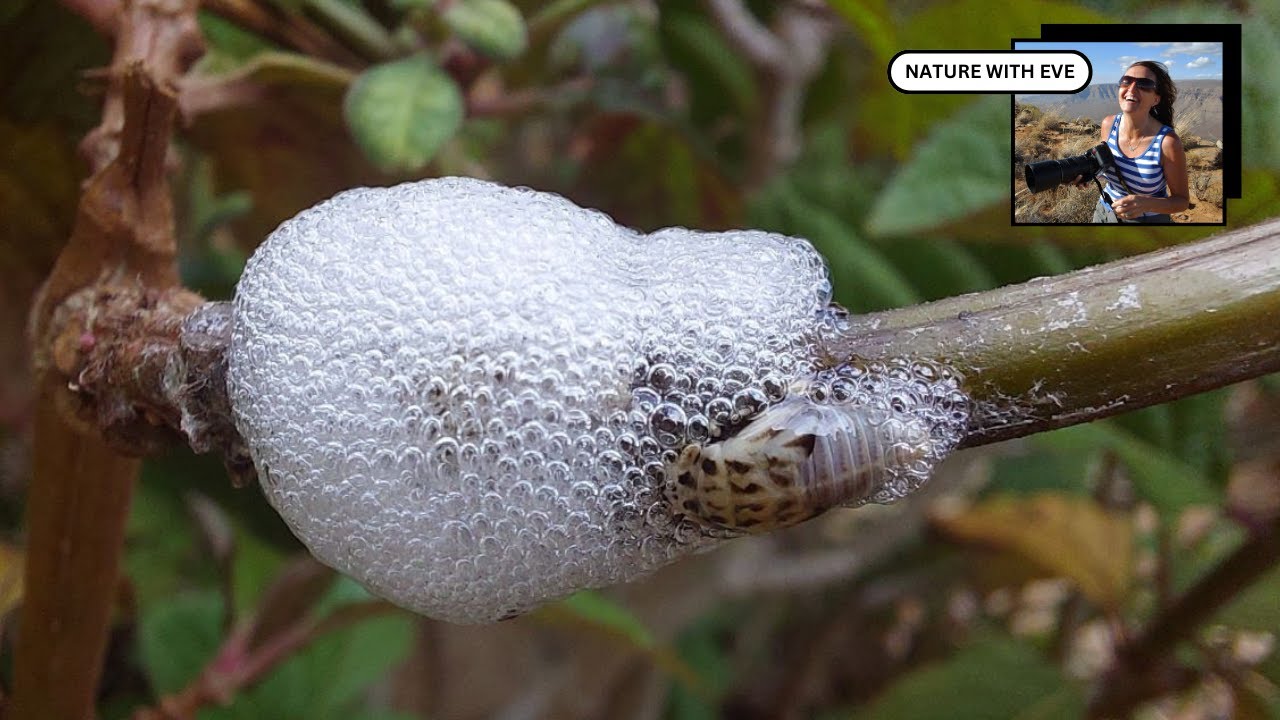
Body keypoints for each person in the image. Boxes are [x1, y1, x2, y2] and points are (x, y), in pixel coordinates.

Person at [1076, 60, 1189, 223]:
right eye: (1126, 81)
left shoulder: (1167, 142)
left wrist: (1145, 204)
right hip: (1103, 212)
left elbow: (1182, 201)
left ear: (1156, 99)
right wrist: (1088, 175)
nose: (1132, 88)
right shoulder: (1109, 125)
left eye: (1144, 84)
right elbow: (1107, 167)